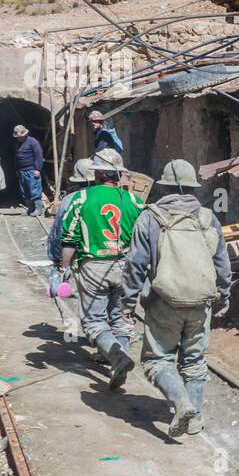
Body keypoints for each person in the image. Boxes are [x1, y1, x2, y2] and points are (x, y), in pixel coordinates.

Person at [121, 159, 231, 438]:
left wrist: (127, 301)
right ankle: (194, 419)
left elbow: (136, 264)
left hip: (163, 302)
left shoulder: (151, 217)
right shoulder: (207, 217)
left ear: (165, 185)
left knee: (158, 361)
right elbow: (222, 262)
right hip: (201, 303)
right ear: (192, 187)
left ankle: (182, 405)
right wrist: (224, 293)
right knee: (194, 361)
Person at [59, 148, 143, 388]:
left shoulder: (82, 199)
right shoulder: (134, 201)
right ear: (119, 175)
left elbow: (69, 238)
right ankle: (121, 358)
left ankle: (118, 357)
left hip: (93, 266)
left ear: (96, 174)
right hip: (127, 267)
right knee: (120, 319)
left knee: (94, 321)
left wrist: (63, 268)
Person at [13, 124, 45, 216]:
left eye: (21, 137)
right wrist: (17, 169)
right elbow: (16, 157)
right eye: (18, 137)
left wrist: (37, 169)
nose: (19, 138)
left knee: (34, 190)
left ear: (25, 134)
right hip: (22, 171)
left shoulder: (33, 142)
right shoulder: (17, 144)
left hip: (32, 170)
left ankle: (38, 209)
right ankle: (30, 209)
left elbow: (39, 155)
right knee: (25, 191)